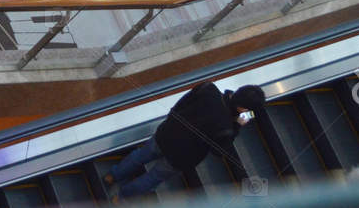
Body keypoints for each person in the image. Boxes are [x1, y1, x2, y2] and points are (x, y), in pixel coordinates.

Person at [104, 83, 266, 199]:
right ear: (243, 109)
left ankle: (112, 175)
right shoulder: (226, 128)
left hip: (167, 134)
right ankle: (122, 198)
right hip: (181, 157)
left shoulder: (208, 89)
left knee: (140, 155)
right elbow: (219, 151)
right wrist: (237, 126)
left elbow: (183, 102)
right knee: (153, 177)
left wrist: (172, 120)